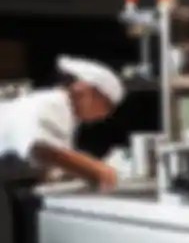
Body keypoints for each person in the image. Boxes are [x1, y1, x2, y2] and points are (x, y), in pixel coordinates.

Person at [0, 56, 125, 190]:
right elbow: (42, 150)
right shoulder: (54, 103)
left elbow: (47, 167)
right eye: (106, 106)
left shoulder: (65, 112)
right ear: (85, 90)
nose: (104, 115)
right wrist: (98, 170)